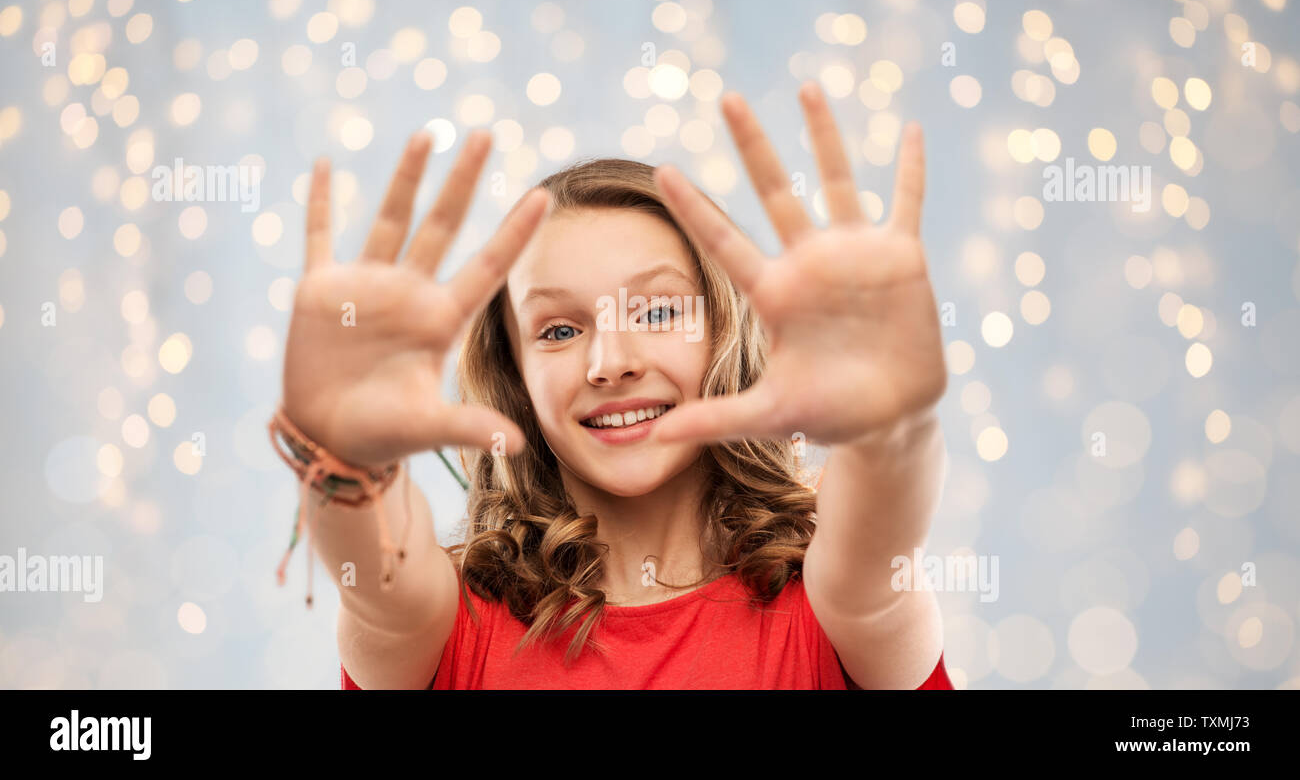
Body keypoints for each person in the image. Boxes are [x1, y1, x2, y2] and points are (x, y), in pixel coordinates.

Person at [273, 81, 952, 689]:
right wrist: (344, 454)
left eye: (656, 311)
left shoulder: (834, 595)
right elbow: (378, 589)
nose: (611, 360)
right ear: (516, 377)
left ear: (723, 331)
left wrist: (891, 422)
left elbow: (882, 544)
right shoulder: (445, 624)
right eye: (559, 330)